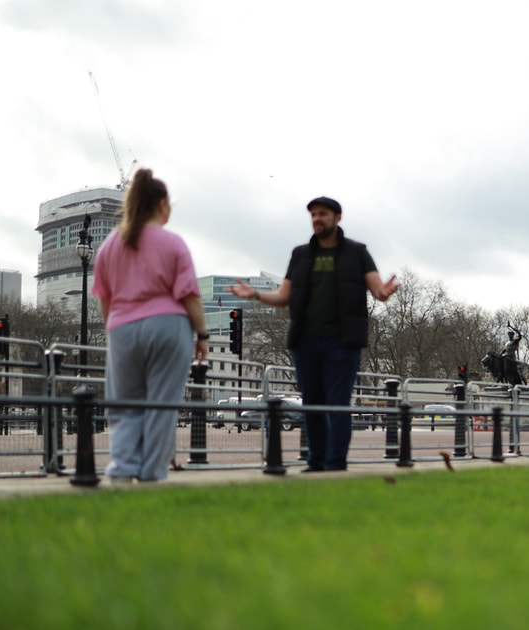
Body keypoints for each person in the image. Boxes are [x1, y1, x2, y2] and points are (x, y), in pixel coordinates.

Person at [230, 196, 398, 472]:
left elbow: (377, 289)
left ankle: (336, 463)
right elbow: (284, 295)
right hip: (306, 341)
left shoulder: (357, 252)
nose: (317, 219)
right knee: (312, 404)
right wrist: (256, 294)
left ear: (337, 218)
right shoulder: (301, 254)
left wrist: (384, 292)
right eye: (313, 215)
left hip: (343, 342)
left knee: (338, 403)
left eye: (323, 214)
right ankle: (316, 461)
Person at [91, 168, 208, 483]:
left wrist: (115, 328)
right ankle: (152, 476)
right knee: (161, 405)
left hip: (122, 327)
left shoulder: (110, 246)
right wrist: (203, 335)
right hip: (168, 326)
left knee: (124, 405)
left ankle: (121, 470)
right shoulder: (173, 243)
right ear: (161, 205)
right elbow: (190, 295)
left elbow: (104, 298)